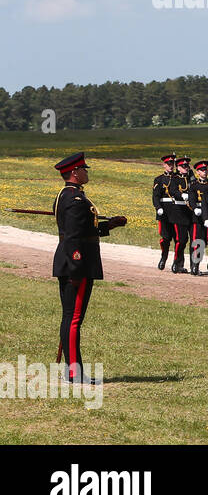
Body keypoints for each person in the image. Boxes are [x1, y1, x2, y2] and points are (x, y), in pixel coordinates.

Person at [52, 153, 127, 384]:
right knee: (74, 319)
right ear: (75, 172)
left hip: (73, 263)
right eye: (84, 169)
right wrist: (76, 268)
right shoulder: (75, 199)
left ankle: (71, 370)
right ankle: (74, 373)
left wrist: (109, 225)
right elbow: (73, 238)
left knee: (70, 318)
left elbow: (85, 230)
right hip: (78, 265)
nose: (86, 172)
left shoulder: (67, 195)